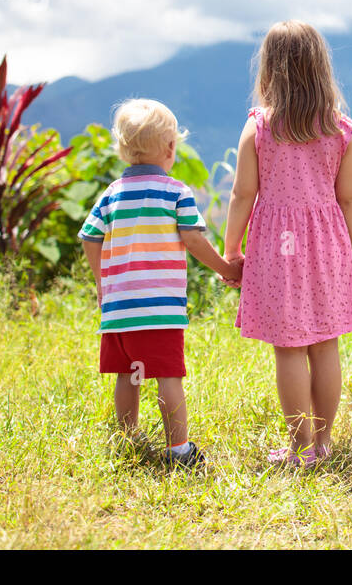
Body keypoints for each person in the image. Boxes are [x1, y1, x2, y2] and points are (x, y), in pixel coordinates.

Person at [225, 21, 352, 467]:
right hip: (328, 245)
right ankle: (323, 445)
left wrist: (231, 250)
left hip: (275, 250)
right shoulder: (341, 129)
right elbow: (348, 198)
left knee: (288, 347)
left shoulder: (259, 128)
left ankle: (300, 447)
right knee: (325, 344)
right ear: (321, 69)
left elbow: (242, 194)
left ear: (269, 70)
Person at [79, 98, 241, 469]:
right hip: (159, 309)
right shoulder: (176, 192)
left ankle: (128, 439)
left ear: (123, 149)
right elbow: (195, 240)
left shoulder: (112, 193)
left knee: (128, 375)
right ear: (171, 147)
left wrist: (102, 284)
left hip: (119, 307)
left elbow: (89, 238)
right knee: (168, 376)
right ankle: (178, 449)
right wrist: (226, 269)